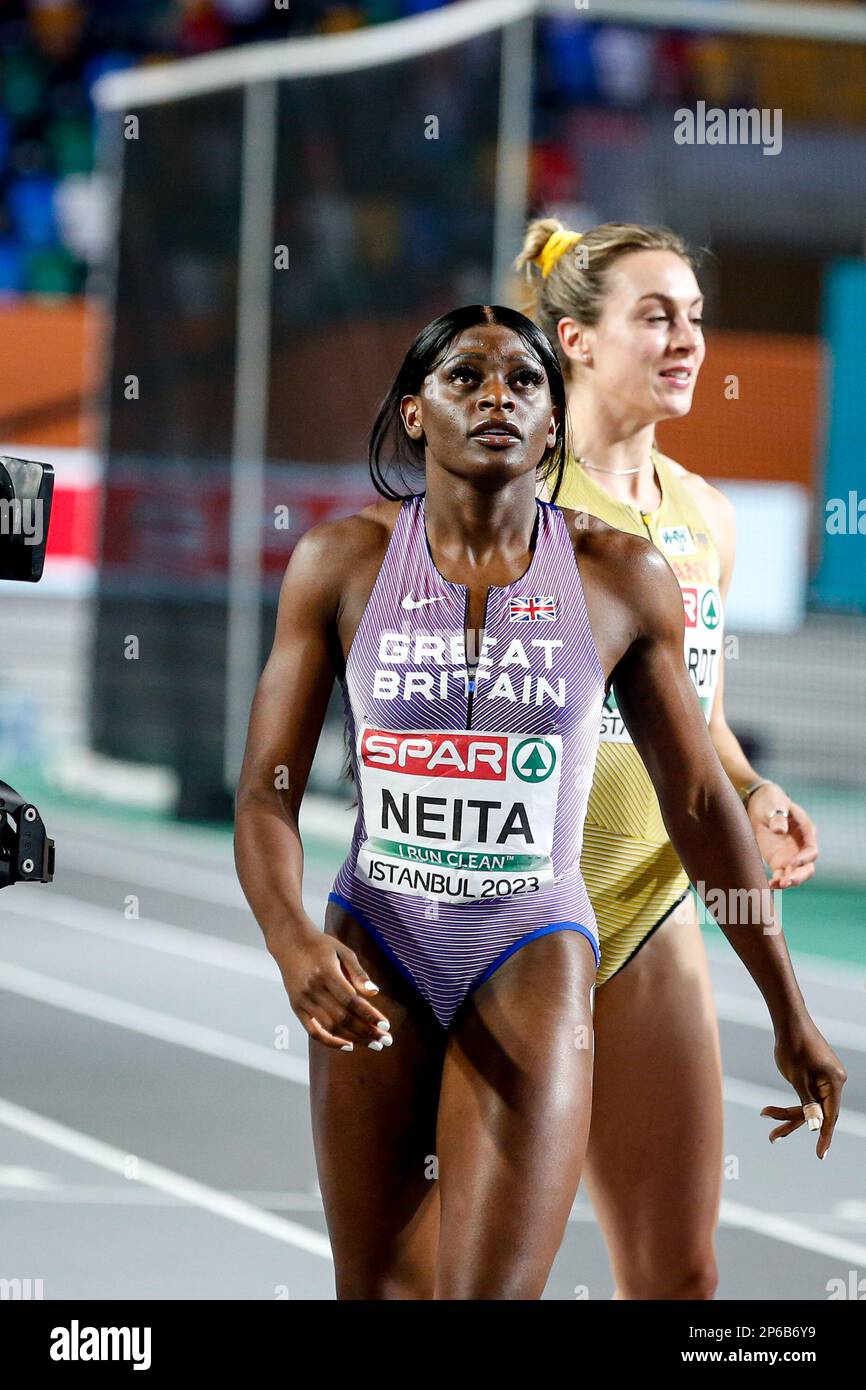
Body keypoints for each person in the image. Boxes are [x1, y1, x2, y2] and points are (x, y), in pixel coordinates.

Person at [234, 303, 845, 1301]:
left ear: (552, 425)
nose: (495, 398)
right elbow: (266, 794)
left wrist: (785, 1006)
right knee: (377, 1289)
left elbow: (695, 797)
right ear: (413, 415)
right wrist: (291, 941)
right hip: (376, 941)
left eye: (522, 382)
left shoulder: (619, 576)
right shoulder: (340, 561)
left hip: (531, 949)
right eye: (464, 378)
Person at [516, 218, 823, 1299]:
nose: (686, 337)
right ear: (576, 341)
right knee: (479, 1272)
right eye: (653, 315)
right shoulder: (516, 500)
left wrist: (750, 788)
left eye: (693, 315)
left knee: (678, 1275)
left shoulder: (703, 516)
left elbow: (693, 714)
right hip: (506, 916)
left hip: (648, 909)